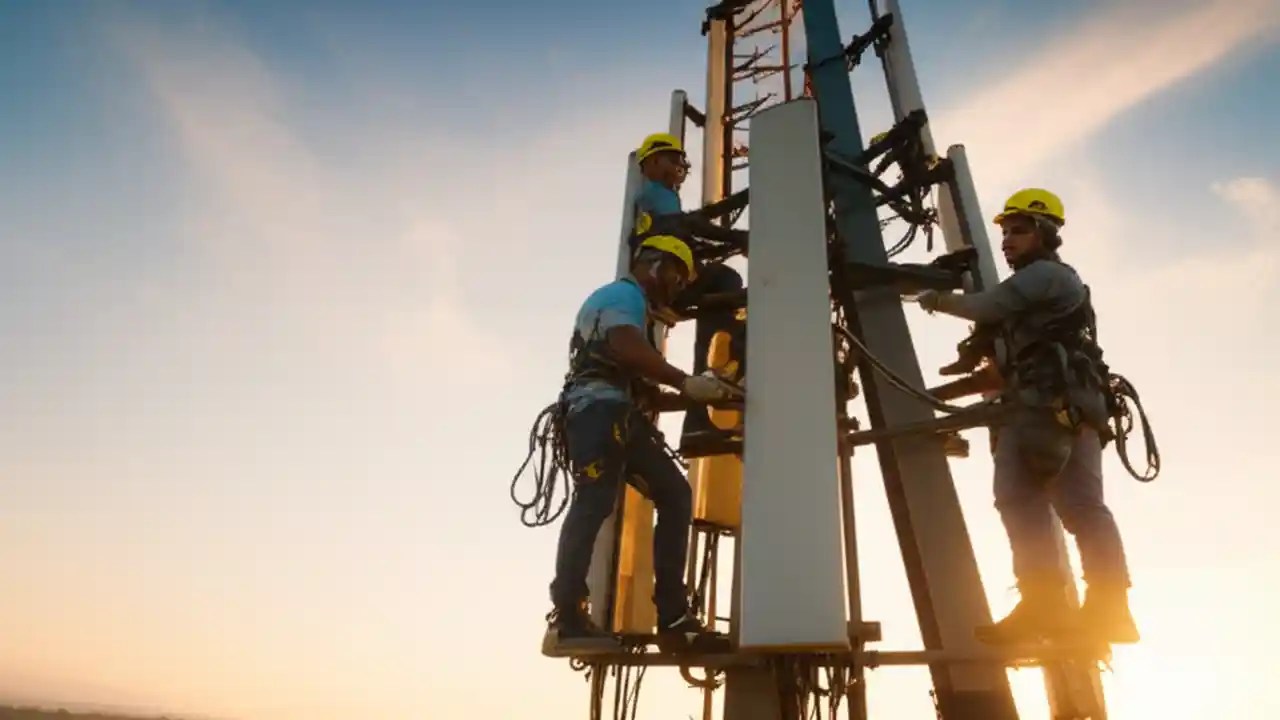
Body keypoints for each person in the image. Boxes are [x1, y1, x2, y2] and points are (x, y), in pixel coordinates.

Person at [916, 188, 1139, 646]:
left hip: (1062, 408)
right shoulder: (1026, 309)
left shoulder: (1049, 278)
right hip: (1033, 409)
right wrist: (930, 397)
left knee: (1079, 508)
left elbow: (984, 306)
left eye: (1019, 229)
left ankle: (1109, 607)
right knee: (1018, 501)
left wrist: (933, 298)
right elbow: (1001, 373)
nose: (1007, 239)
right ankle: (1045, 605)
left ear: (1047, 233)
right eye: (1005, 231)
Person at [546, 234, 741, 650]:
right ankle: (567, 616)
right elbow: (625, 347)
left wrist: (701, 394)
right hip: (596, 415)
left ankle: (673, 616)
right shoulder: (621, 295)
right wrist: (684, 380)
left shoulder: (639, 317)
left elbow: (647, 392)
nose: (677, 287)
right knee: (593, 501)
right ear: (656, 264)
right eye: (677, 275)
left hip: (617, 416)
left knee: (674, 493)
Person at [631, 133, 749, 451]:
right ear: (653, 161)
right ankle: (730, 360)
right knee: (727, 283)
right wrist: (738, 238)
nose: (678, 168)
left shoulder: (658, 198)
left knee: (719, 292)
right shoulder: (656, 194)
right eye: (673, 160)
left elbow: (685, 233)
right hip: (663, 275)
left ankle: (701, 414)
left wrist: (731, 240)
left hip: (667, 273)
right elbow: (685, 227)